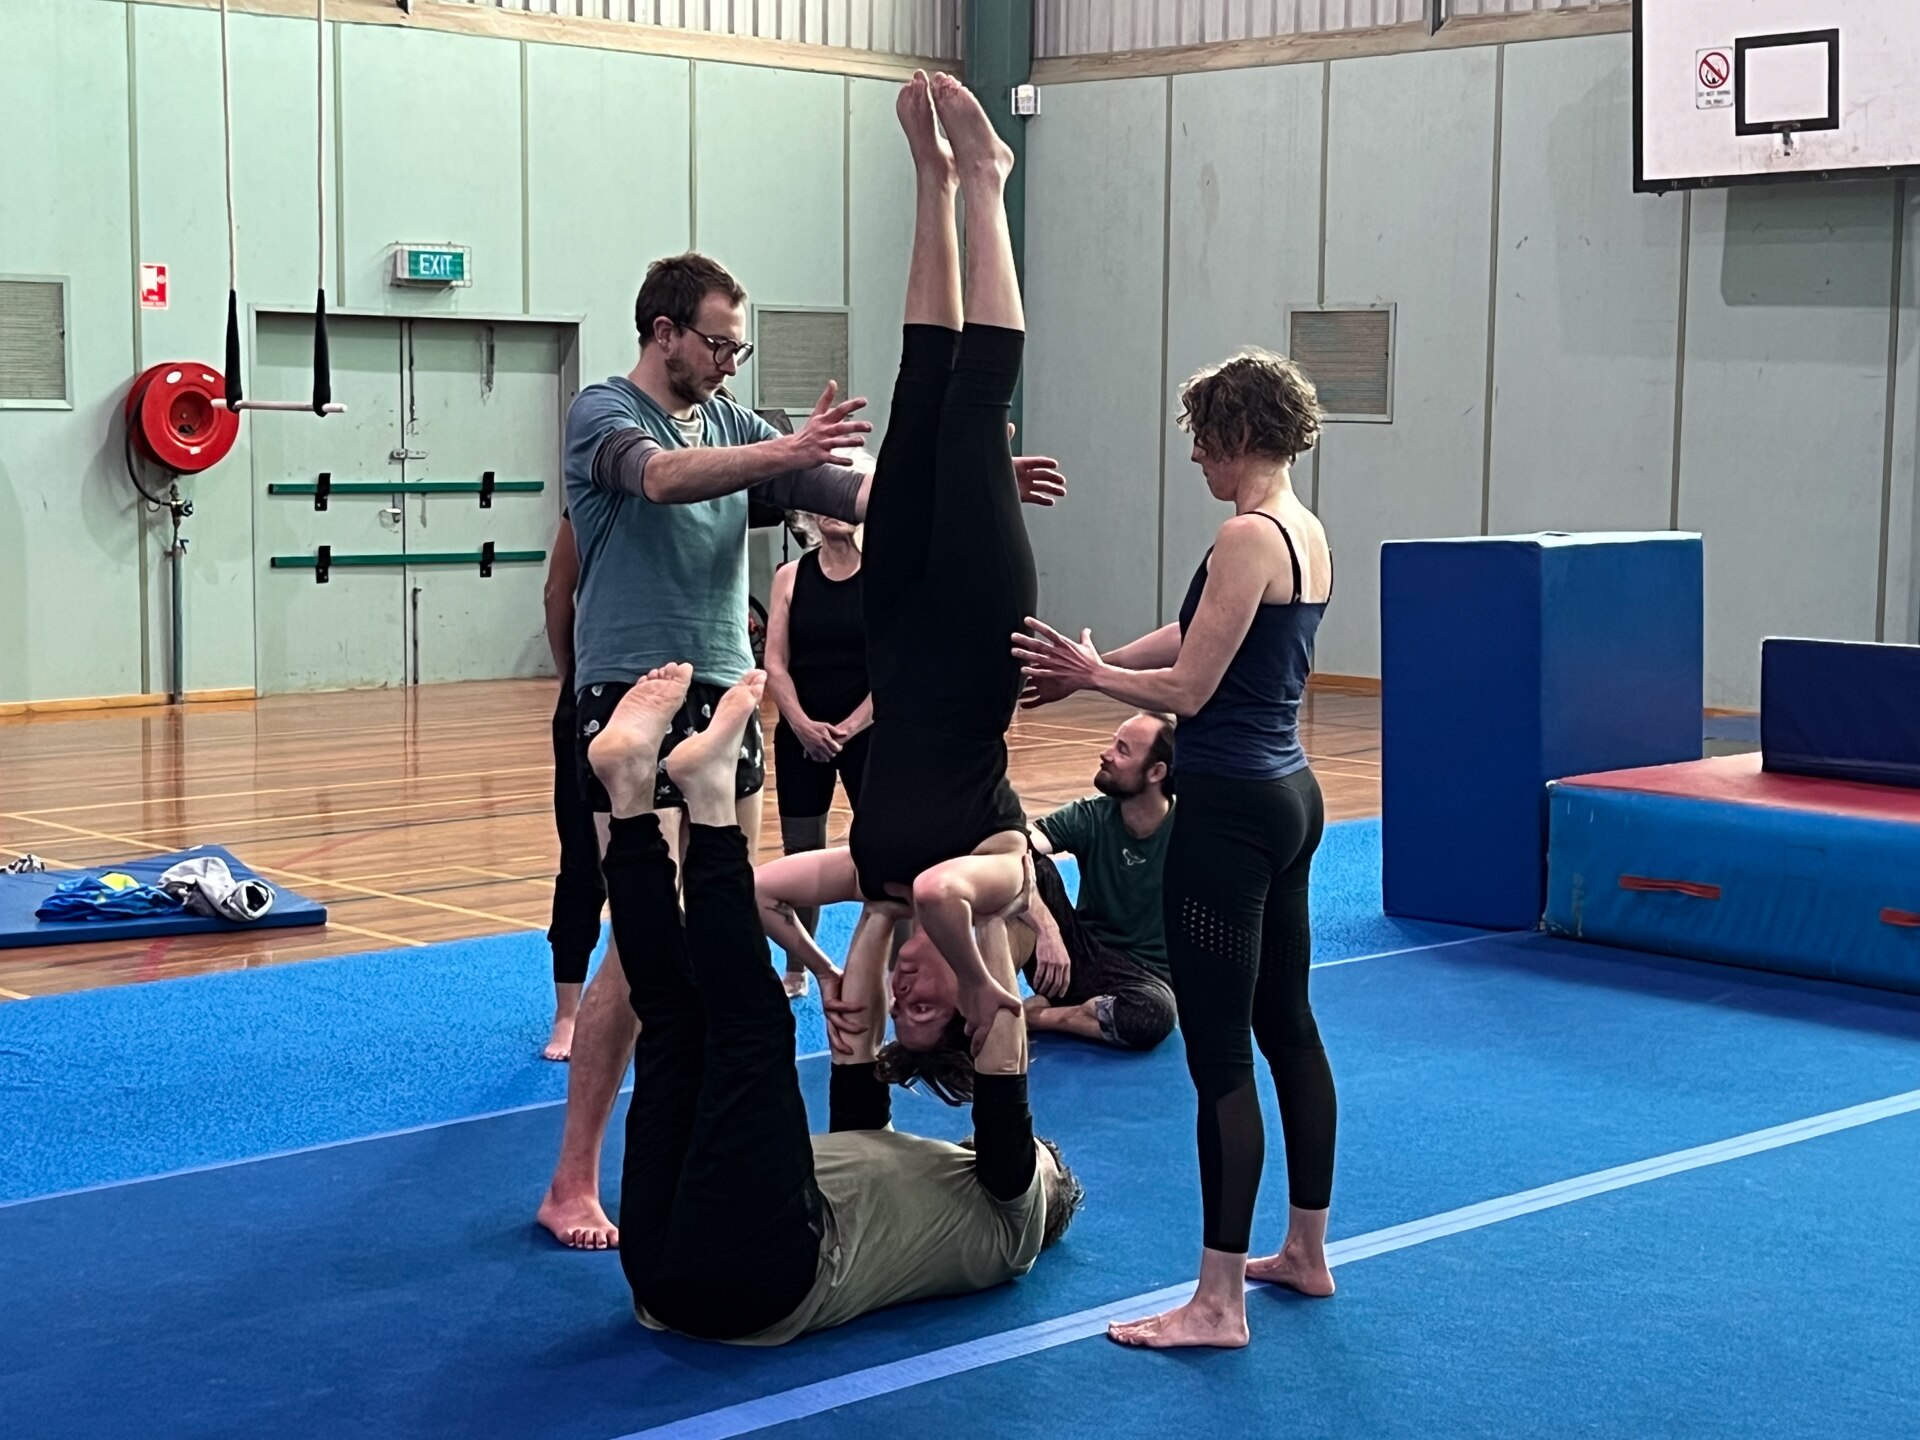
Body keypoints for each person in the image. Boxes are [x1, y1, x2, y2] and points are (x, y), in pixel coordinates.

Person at [583, 660, 1082, 1346]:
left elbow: (1002, 1054)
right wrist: (876, 916)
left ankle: (710, 800)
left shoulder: (1014, 1220)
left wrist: (1001, 905)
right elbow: (856, 1034)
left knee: (750, 1027)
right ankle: (630, 790)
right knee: (673, 1019)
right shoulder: (897, 1157)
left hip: (768, 1276)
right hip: (665, 1275)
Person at [536, 249, 875, 1250]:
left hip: (728, 697)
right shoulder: (605, 414)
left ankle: (682, 1143)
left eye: (740, 345)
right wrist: (783, 455)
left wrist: (979, 490)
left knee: (717, 916)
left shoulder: (735, 425)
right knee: (642, 947)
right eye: (718, 343)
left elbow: (847, 492)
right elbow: (664, 480)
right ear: (664, 333)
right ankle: (572, 1181)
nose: (731, 362)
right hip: (636, 691)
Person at [1015, 347, 1337, 1349]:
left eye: (1201, 437)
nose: (1194, 456)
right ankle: (1307, 1252)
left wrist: (1095, 678)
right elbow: (1196, 633)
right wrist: (1093, 666)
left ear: (1236, 436)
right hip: (1290, 793)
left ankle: (1218, 1302)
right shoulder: (1302, 528)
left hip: (1231, 810)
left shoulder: (1244, 534)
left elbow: (1191, 692)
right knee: (1289, 1025)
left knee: (1220, 1056)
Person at [752, 70, 1068, 1050]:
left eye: (914, 1005)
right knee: (974, 400)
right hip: (976, 627)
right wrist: (984, 991)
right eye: (937, 1008)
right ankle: (986, 179)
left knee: (918, 384)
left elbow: (762, 889)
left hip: (895, 621)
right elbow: (936, 894)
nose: (922, 994)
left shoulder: (869, 877)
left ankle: (931, 183)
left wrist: (824, 975)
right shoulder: (992, 875)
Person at [764, 511, 872, 998]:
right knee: (800, 853)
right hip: (801, 736)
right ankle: (798, 966)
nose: (835, 515)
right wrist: (802, 725)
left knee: (884, 850)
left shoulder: (884, 574)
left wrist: (850, 727)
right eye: (823, 503)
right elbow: (775, 663)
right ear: (809, 515)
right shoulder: (791, 577)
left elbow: (896, 664)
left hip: (866, 732)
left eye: (845, 503)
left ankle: (889, 964)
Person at [539, 512, 605, 1062]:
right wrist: (570, 677)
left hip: (672, 680)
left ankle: (664, 994)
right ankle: (568, 1011)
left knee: (682, 856)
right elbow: (558, 591)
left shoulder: (689, 487)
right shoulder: (585, 503)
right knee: (582, 857)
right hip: (596, 690)